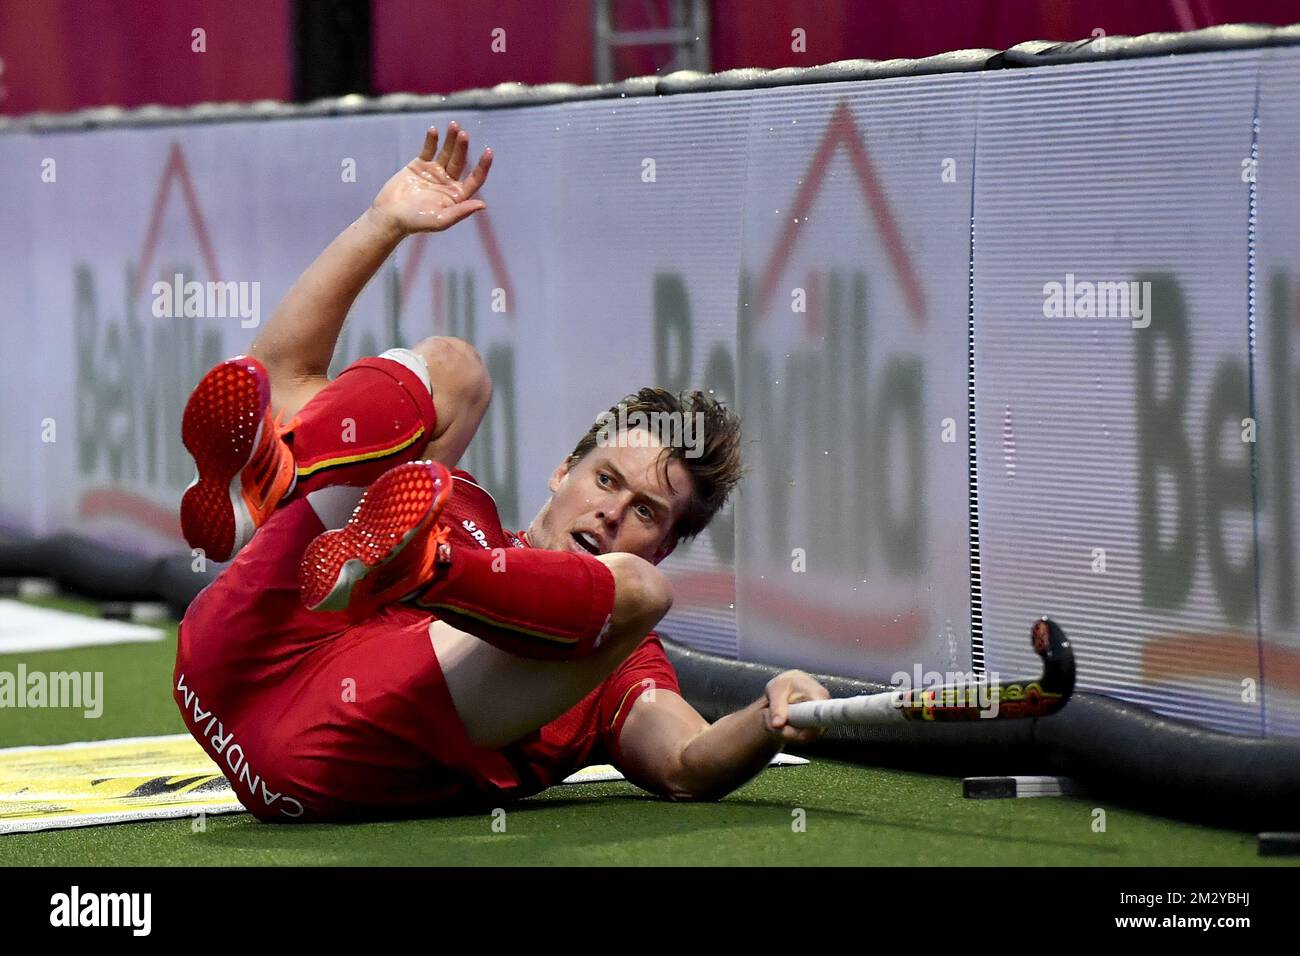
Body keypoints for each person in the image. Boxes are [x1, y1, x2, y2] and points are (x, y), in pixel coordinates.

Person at [173, 122, 830, 821]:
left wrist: (768, 717)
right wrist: (381, 224)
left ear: (666, 542)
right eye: (607, 480)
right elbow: (284, 374)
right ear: (561, 472)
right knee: (460, 372)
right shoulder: (444, 496)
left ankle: (422, 568)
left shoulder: (617, 660)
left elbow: (684, 765)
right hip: (233, 652)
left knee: (640, 594)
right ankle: (274, 484)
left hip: (321, 759)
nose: (611, 511)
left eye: (645, 511)